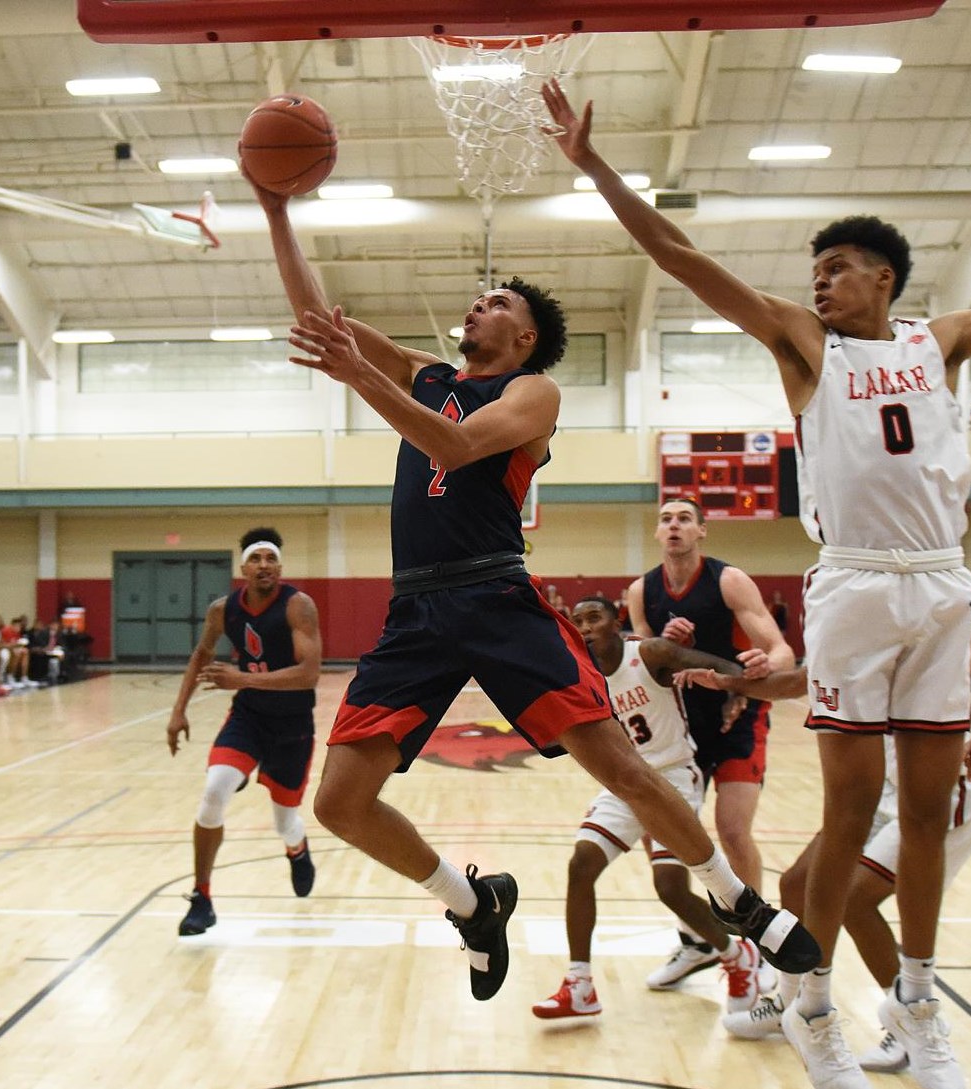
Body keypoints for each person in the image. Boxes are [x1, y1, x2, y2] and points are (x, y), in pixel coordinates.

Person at [542, 76, 971, 1088]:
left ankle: (916, 999)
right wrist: (596, 167)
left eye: (839, 268)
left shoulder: (937, 339)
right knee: (850, 810)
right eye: (814, 269)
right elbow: (679, 260)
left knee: (926, 807)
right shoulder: (800, 344)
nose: (820, 283)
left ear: (884, 280)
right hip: (856, 581)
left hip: (941, 584)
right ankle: (812, 1005)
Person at [253, 159, 815, 1003]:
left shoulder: (534, 390)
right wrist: (275, 208)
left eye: (497, 304)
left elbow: (448, 448)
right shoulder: (428, 376)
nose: (478, 306)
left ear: (521, 337)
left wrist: (356, 376)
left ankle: (736, 901)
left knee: (619, 766)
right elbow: (318, 318)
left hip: (495, 596)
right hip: (416, 609)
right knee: (338, 803)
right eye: (480, 300)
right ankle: (473, 903)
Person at [695, 639, 971, 1071]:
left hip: (939, 795)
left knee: (855, 902)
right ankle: (790, 1004)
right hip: (876, 793)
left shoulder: (941, 626)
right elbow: (798, 682)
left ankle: (910, 1022)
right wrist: (730, 682)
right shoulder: (852, 626)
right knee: (796, 884)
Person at [531, 597, 766, 1023]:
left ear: (615, 621)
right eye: (578, 621)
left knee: (670, 887)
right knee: (581, 864)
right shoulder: (579, 675)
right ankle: (579, 984)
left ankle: (738, 956)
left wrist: (737, 694)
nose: (585, 627)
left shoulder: (650, 653)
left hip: (673, 777)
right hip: (624, 779)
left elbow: (726, 666)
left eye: (594, 618)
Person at [627, 497, 793, 975]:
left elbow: (780, 650)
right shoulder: (642, 591)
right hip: (680, 725)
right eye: (665, 519)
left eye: (683, 519)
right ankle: (699, 939)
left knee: (733, 829)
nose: (673, 526)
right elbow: (641, 662)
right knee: (670, 836)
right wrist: (663, 647)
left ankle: (756, 941)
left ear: (702, 530)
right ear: (658, 533)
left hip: (738, 714)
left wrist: (761, 666)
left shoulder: (729, 580)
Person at [166, 528, 323, 936]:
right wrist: (178, 710)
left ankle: (297, 848)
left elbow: (308, 674)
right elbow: (202, 652)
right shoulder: (223, 610)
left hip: (292, 725)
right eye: (256, 559)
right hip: (248, 719)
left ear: (280, 566)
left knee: (285, 820)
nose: (264, 565)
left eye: (271, 558)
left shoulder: (298, 606)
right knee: (215, 791)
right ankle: (202, 896)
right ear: (243, 568)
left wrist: (243, 679)